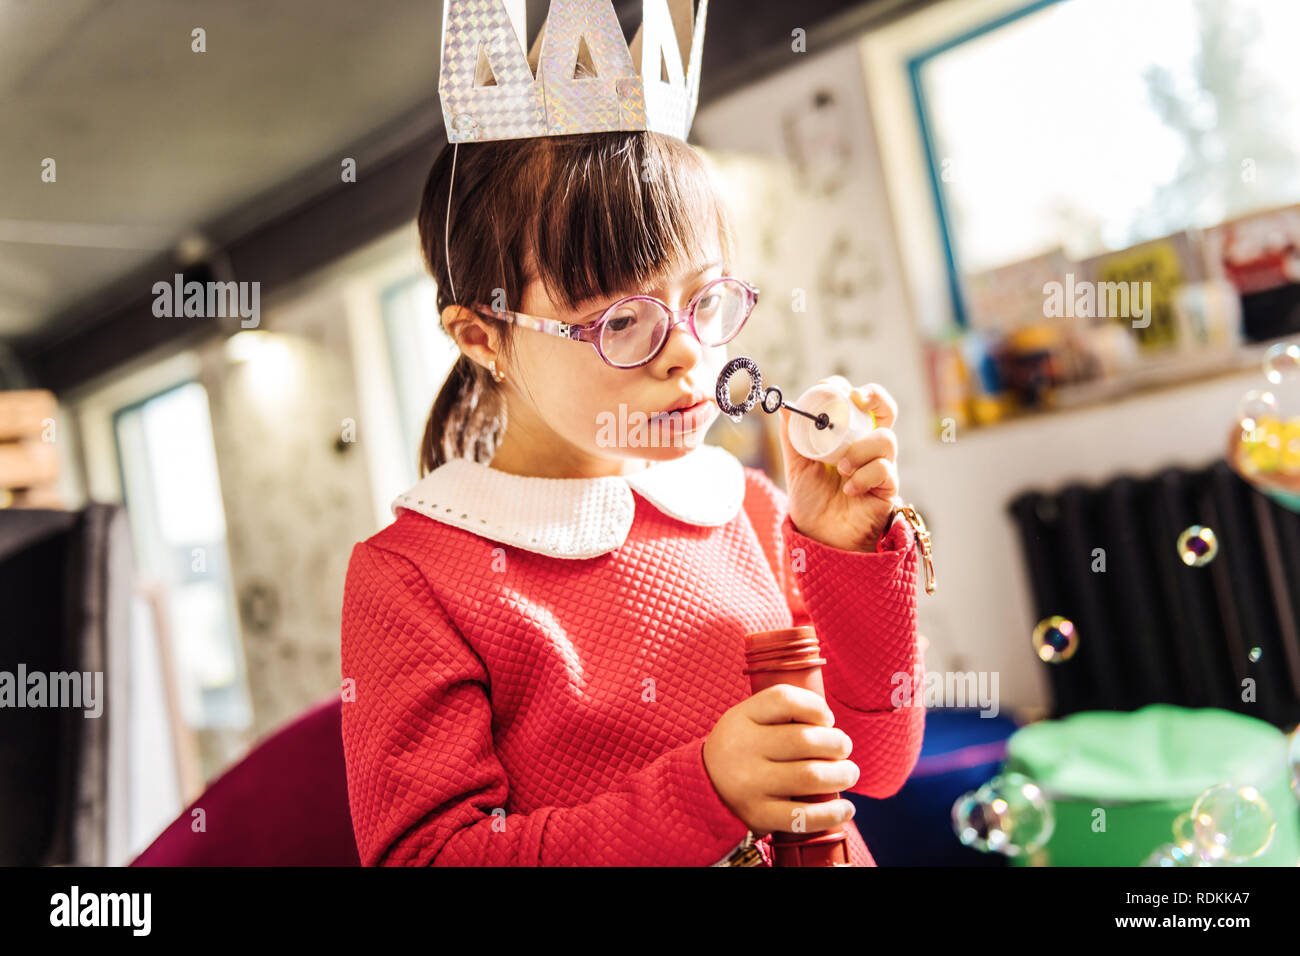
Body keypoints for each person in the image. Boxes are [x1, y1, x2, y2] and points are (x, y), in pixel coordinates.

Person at [338, 128, 926, 866]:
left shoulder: (744, 504)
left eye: (705, 300)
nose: (687, 351)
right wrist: (703, 796)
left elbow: (875, 762)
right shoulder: (415, 576)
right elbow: (428, 857)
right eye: (622, 321)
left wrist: (846, 556)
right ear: (483, 337)